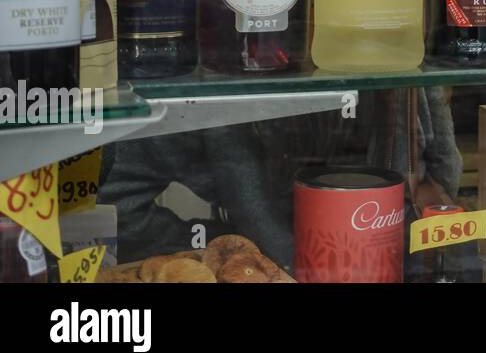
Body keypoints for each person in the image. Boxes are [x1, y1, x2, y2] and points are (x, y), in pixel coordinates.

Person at [99, 88, 462, 273]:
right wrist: (227, 249)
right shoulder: (231, 85)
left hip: (389, 267)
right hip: (374, 268)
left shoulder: (402, 76)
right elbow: (117, 197)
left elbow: (439, 174)